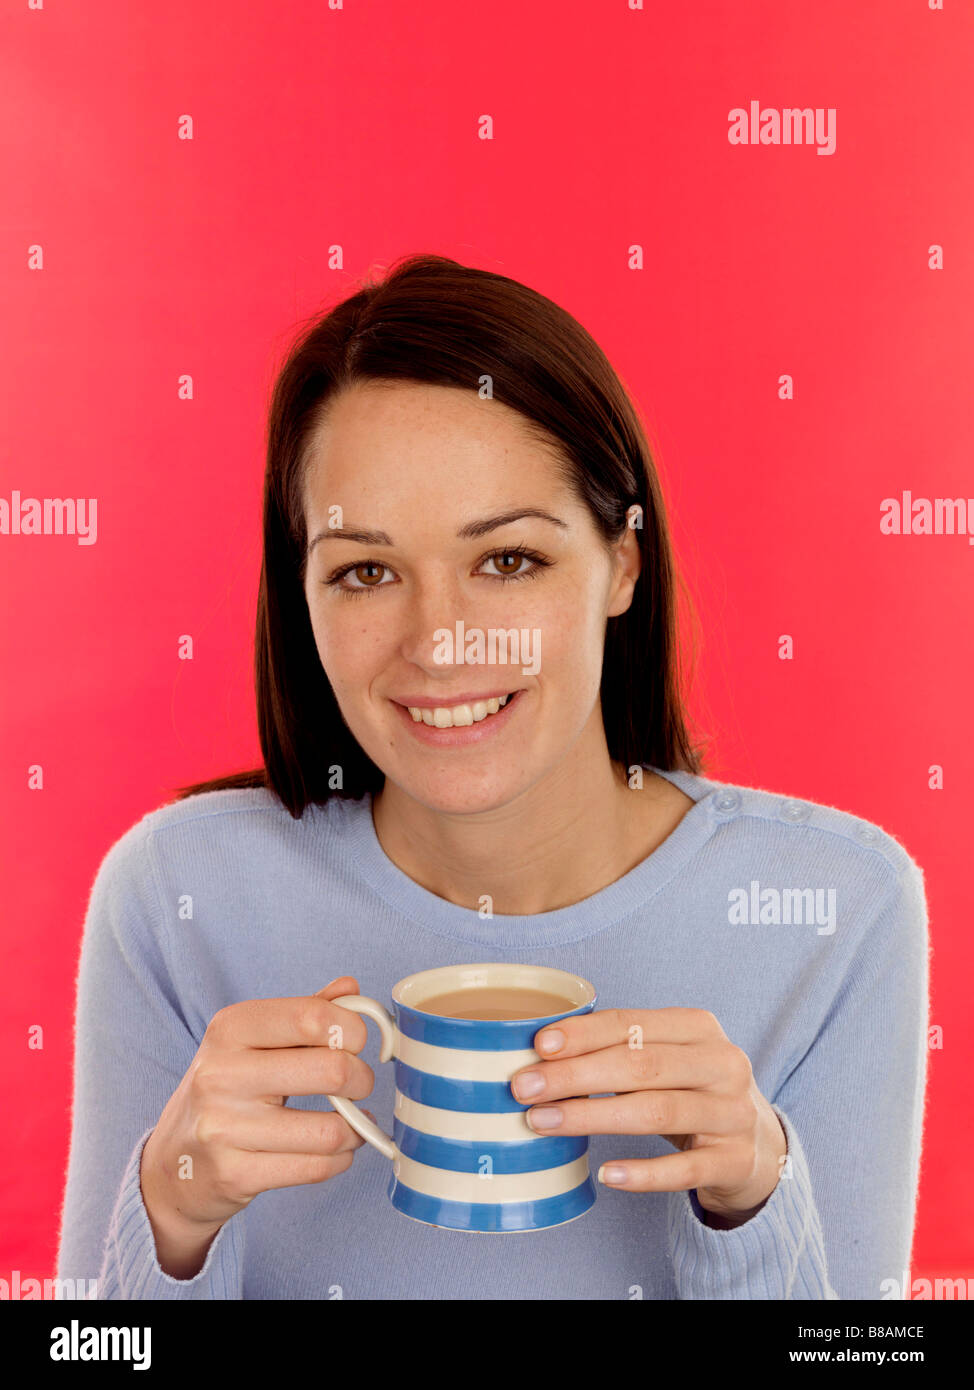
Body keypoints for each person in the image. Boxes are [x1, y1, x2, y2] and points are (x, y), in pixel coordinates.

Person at [56, 254, 928, 1299]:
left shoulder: (838, 907)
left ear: (622, 560)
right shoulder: (173, 898)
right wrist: (169, 1215)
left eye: (506, 559)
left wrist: (752, 1196)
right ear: (302, 599)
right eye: (365, 571)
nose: (438, 641)